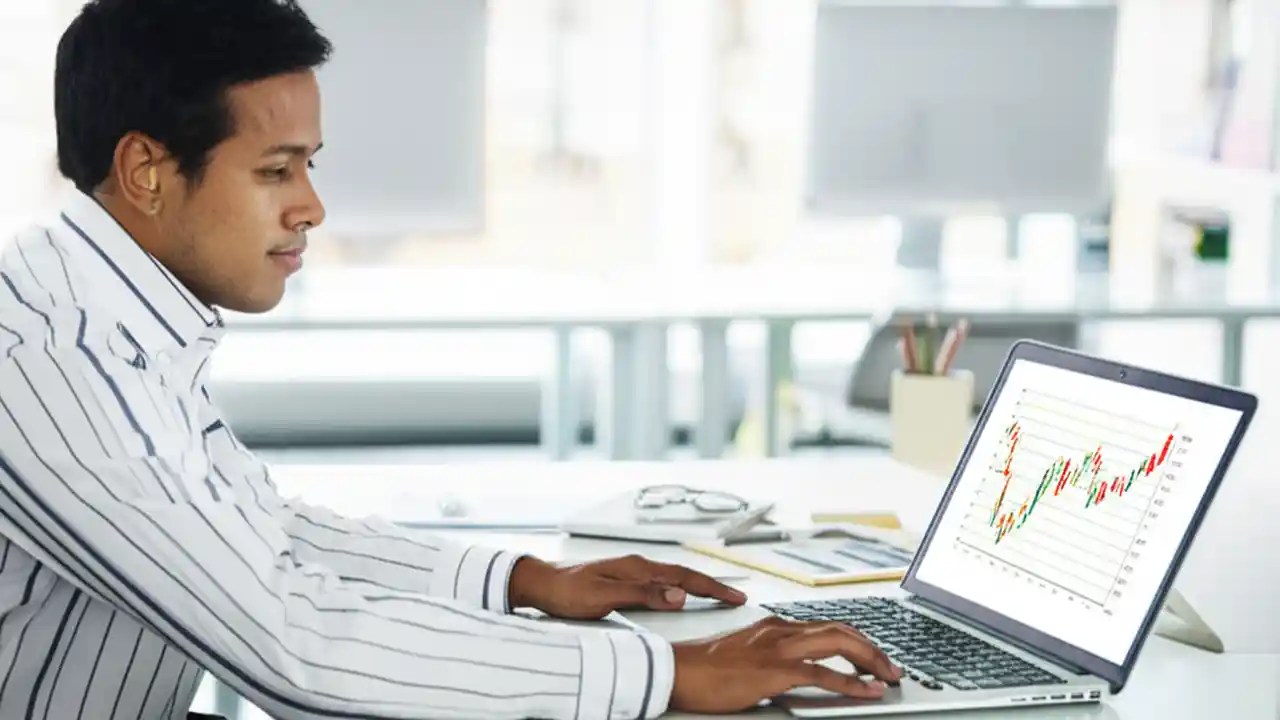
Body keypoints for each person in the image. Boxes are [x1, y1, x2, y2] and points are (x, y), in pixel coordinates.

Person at [0, 1, 901, 718]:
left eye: (310, 166)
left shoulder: (107, 319)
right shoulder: (47, 358)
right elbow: (291, 643)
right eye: (277, 171)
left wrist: (520, 580)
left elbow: (259, 536)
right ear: (147, 172)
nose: (312, 207)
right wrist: (660, 674)